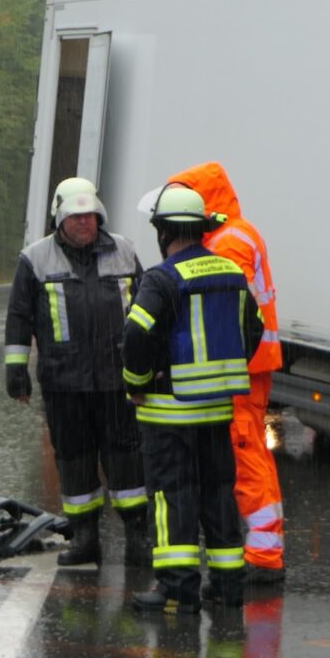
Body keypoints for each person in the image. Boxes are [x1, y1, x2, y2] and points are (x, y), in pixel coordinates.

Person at [121, 183, 262, 613]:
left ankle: (178, 591)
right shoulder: (231, 275)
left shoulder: (161, 279)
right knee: (218, 495)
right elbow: (252, 330)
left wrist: (139, 382)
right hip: (217, 412)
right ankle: (226, 587)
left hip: (168, 414)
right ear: (202, 230)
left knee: (173, 497)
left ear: (163, 232)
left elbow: (135, 333)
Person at [4, 177, 150, 567]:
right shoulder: (35, 259)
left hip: (118, 379)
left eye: (90, 216)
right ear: (60, 219)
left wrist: (151, 365)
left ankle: (138, 537)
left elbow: (148, 310)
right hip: (64, 382)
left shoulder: (123, 251)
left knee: (128, 458)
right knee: (74, 458)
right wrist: (16, 370)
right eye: (76, 217)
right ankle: (85, 538)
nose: (85, 224)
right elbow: (19, 317)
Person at [171, 162, 287, 586]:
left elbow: (220, 304)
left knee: (244, 456)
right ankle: (263, 546)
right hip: (248, 364)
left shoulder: (229, 241)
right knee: (251, 450)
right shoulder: (232, 234)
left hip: (242, 365)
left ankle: (263, 554)